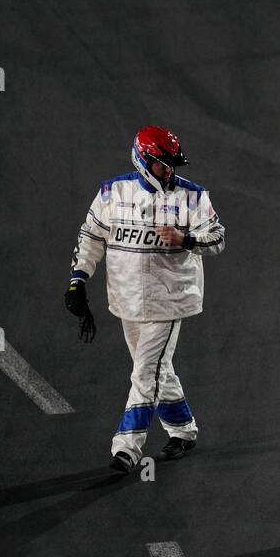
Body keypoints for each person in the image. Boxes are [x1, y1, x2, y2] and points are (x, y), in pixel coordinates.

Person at [64, 126, 226, 473]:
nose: (169, 172)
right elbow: (91, 237)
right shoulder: (111, 193)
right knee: (156, 370)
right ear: (142, 160)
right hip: (127, 301)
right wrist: (78, 279)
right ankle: (183, 430)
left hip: (169, 301)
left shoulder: (193, 197)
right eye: (162, 165)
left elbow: (217, 238)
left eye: (172, 165)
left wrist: (186, 239)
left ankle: (127, 447)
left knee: (143, 372)